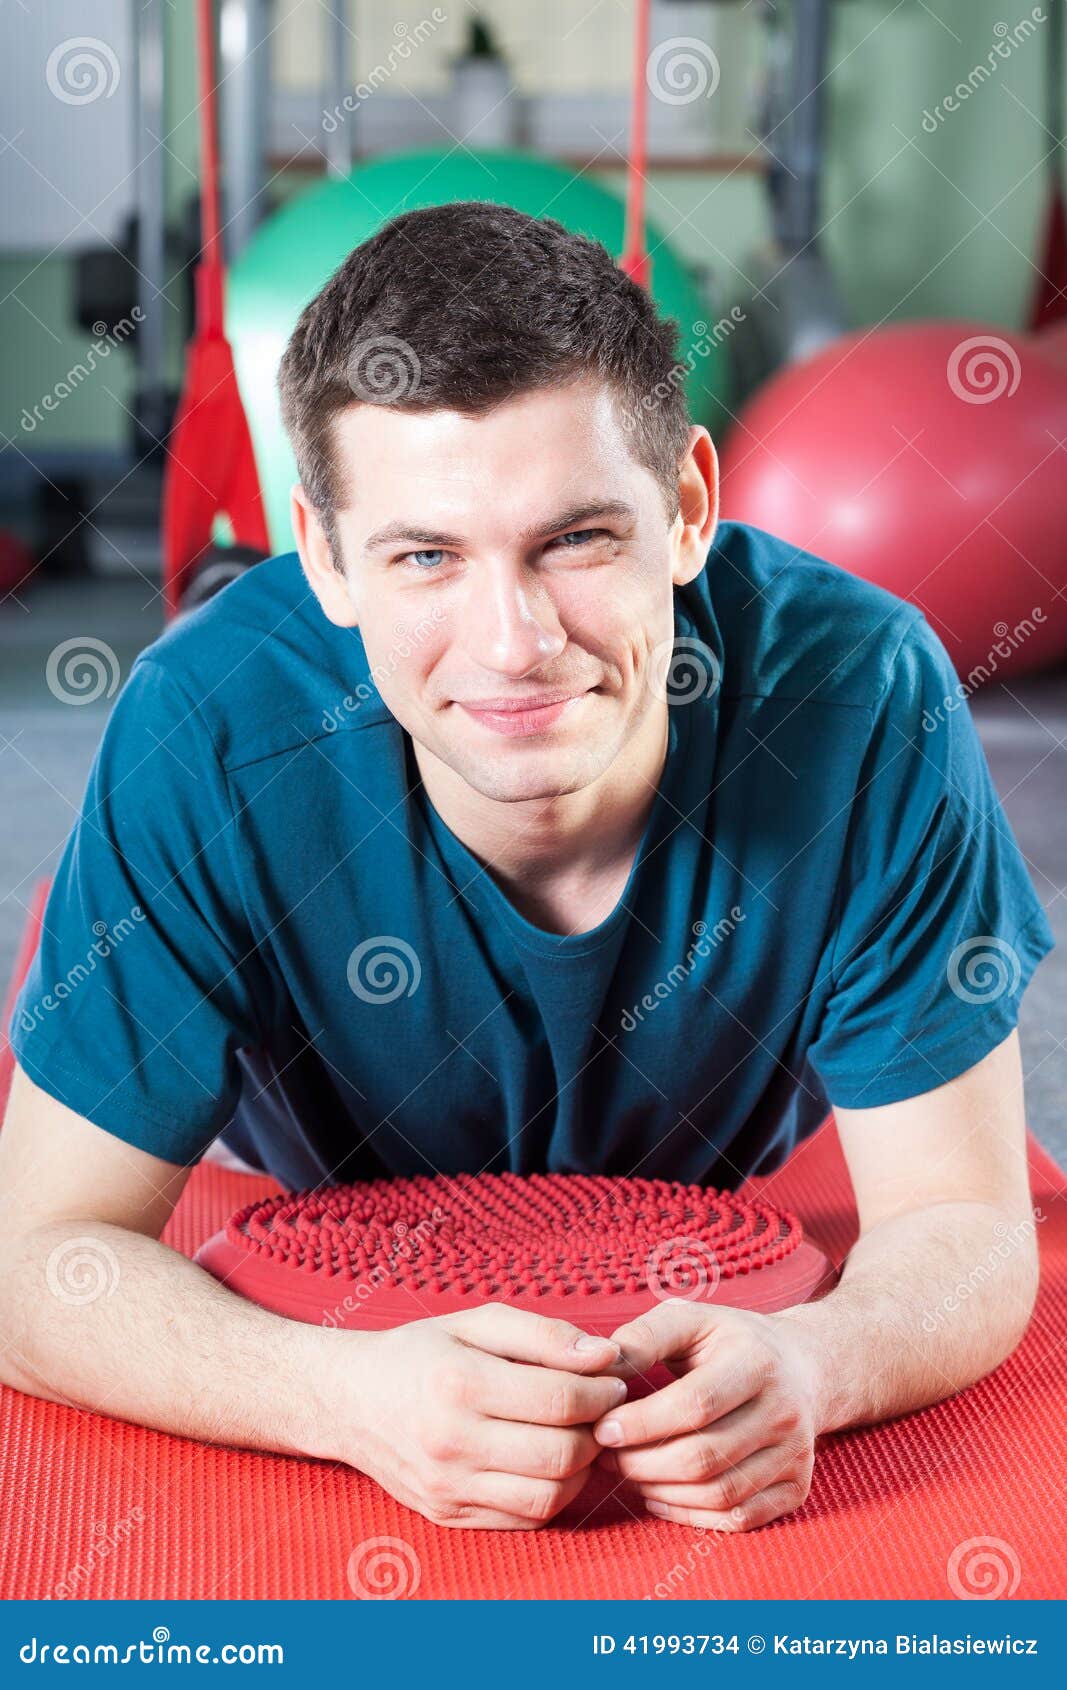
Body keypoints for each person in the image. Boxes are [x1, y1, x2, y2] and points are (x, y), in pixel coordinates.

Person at [0, 204, 1053, 1535]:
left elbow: (962, 1217)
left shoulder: (868, 699)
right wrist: (337, 1394)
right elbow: (33, 1266)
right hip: (296, 1125)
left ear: (685, 511)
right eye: (427, 555)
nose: (514, 642)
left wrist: (821, 1361)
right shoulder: (208, 730)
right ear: (324, 556)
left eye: (576, 541)